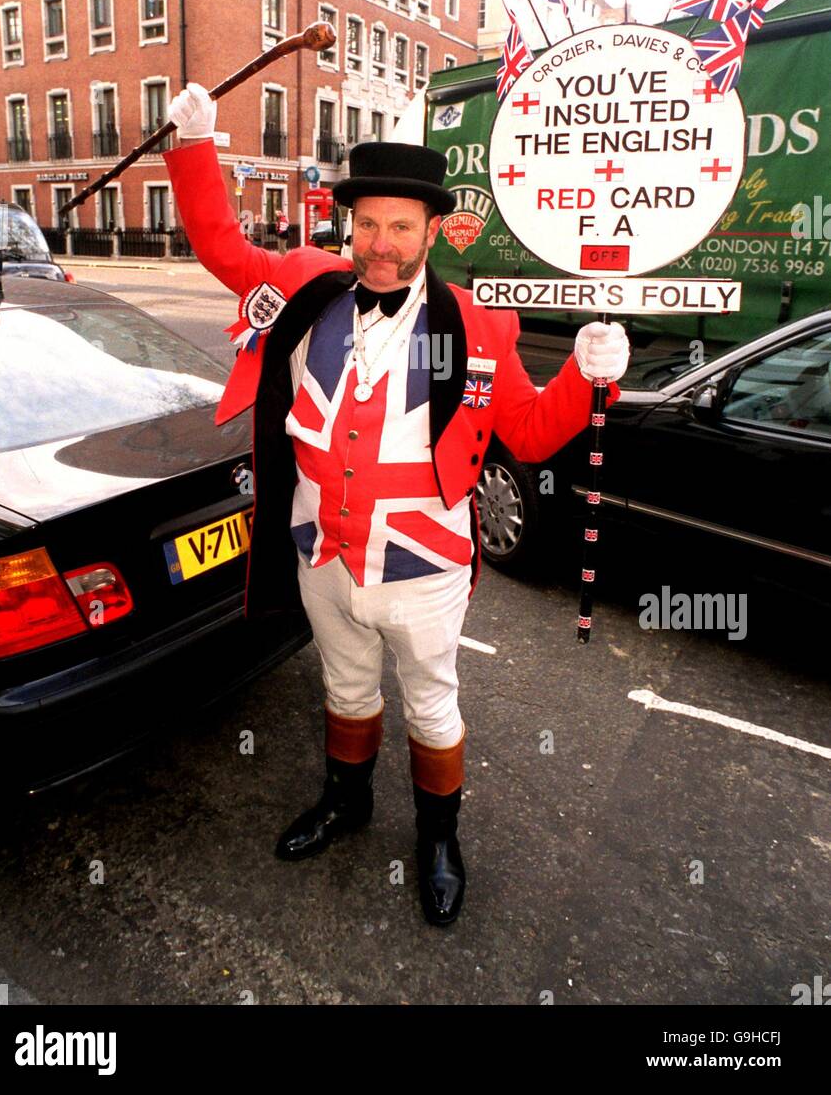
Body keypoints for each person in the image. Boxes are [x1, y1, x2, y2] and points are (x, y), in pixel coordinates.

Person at [164, 83, 630, 927]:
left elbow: (525, 435)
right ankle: (347, 805)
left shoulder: (477, 324)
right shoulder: (312, 285)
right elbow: (225, 250)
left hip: (424, 562)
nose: (380, 245)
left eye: (400, 228)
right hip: (322, 547)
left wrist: (585, 377)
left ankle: (440, 841)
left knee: (430, 701)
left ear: (429, 233)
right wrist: (195, 150)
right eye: (367, 225)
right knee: (344, 689)